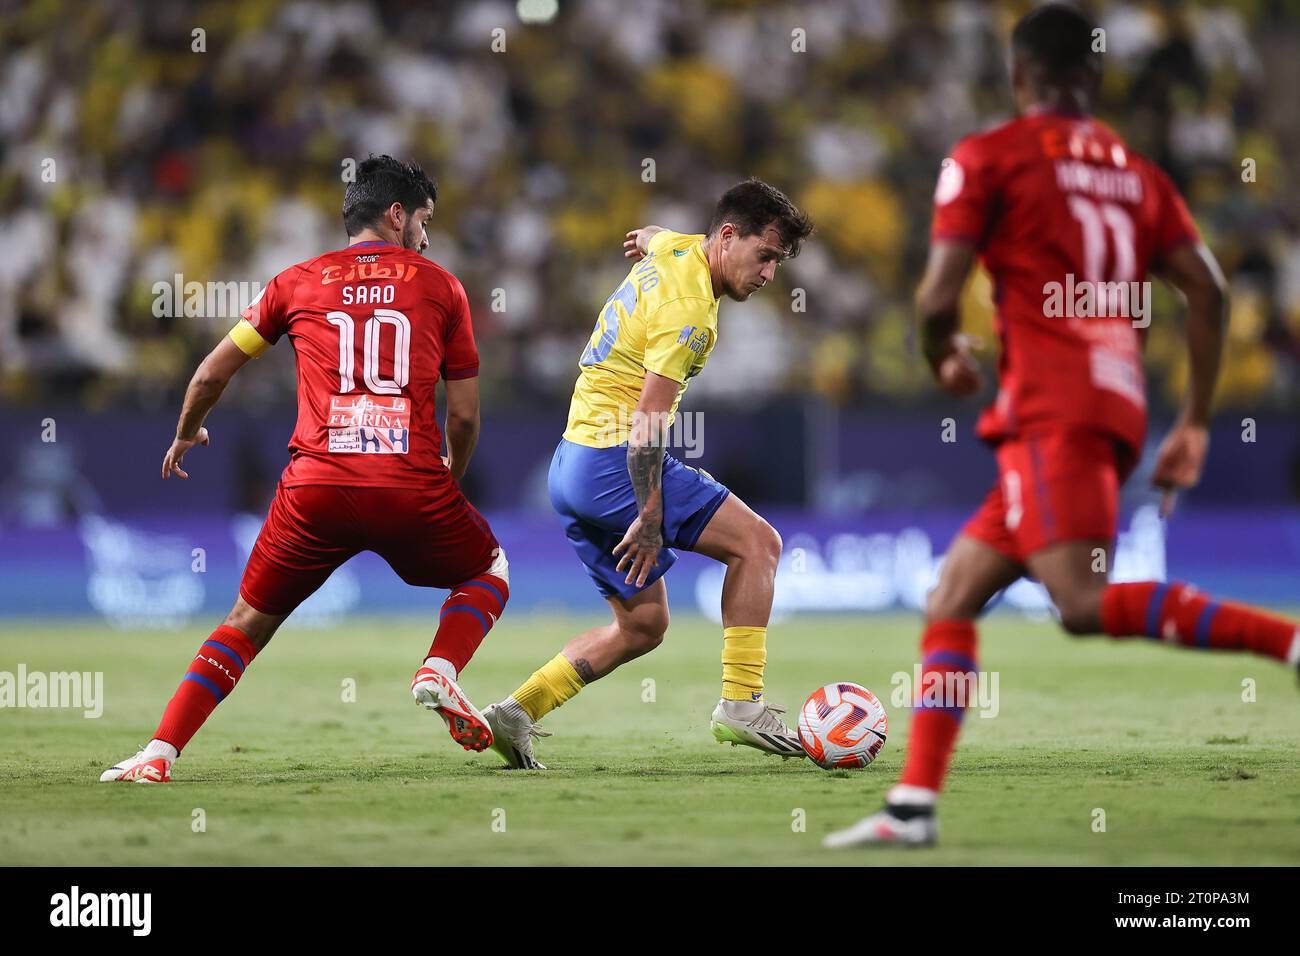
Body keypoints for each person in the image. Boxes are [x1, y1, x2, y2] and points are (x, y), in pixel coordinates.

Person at [825, 4, 1298, 847]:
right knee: (954, 593)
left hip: (1052, 406)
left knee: (1077, 603)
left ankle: (1288, 640)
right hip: (1109, 402)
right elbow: (1212, 293)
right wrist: (1192, 420)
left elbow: (937, 299)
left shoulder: (988, 156)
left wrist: (942, 357)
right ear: (1096, 77)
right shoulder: (1139, 173)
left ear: (1019, 78)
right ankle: (913, 808)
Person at [101, 156, 509, 783]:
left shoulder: (297, 281)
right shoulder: (442, 286)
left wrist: (186, 432)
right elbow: (464, 419)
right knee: (489, 569)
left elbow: (211, 372)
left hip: (315, 486)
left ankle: (158, 754)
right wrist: (445, 483)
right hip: (408, 482)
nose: (427, 237)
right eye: (424, 220)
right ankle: (440, 670)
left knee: (245, 624)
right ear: (397, 215)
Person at [480, 179, 813, 769]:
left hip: (570, 465)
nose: (769, 274)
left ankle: (516, 711)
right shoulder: (691, 314)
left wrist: (653, 235)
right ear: (728, 237)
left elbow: (664, 240)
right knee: (759, 545)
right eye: (765, 255)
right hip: (614, 458)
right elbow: (647, 427)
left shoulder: (681, 251)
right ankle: (741, 705)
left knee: (642, 624)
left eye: (778, 262)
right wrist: (651, 516)